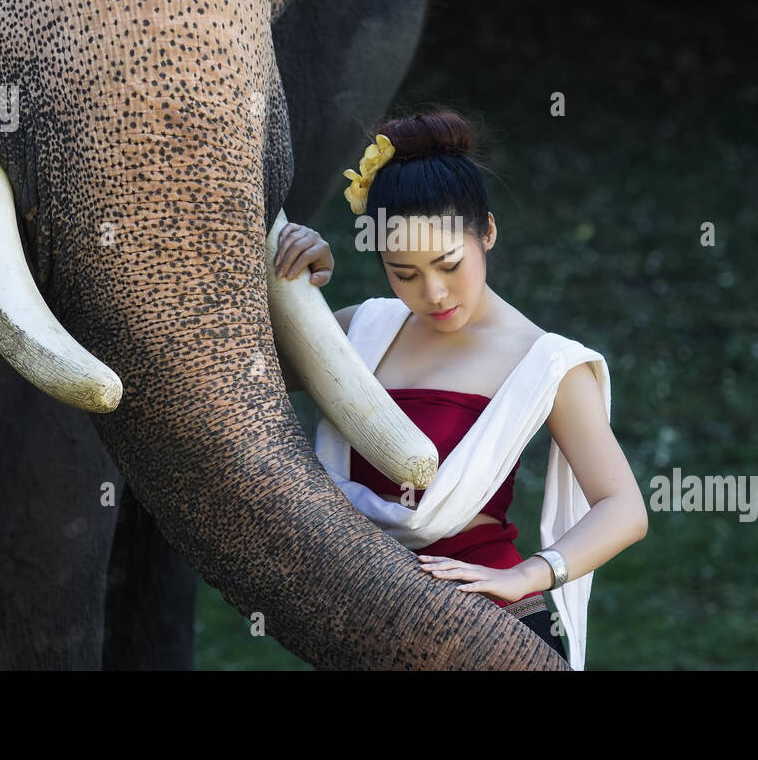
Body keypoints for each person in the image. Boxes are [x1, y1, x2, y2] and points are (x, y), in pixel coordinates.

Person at [271, 108, 648, 668]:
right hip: (356, 608)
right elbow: (242, 380)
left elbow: (625, 508)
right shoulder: (361, 328)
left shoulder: (547, 363)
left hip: (486, 620)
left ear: (487, 232)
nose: (434, 292)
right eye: (405, 273)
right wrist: (296, 285)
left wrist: (529, 573)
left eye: (449, 263)